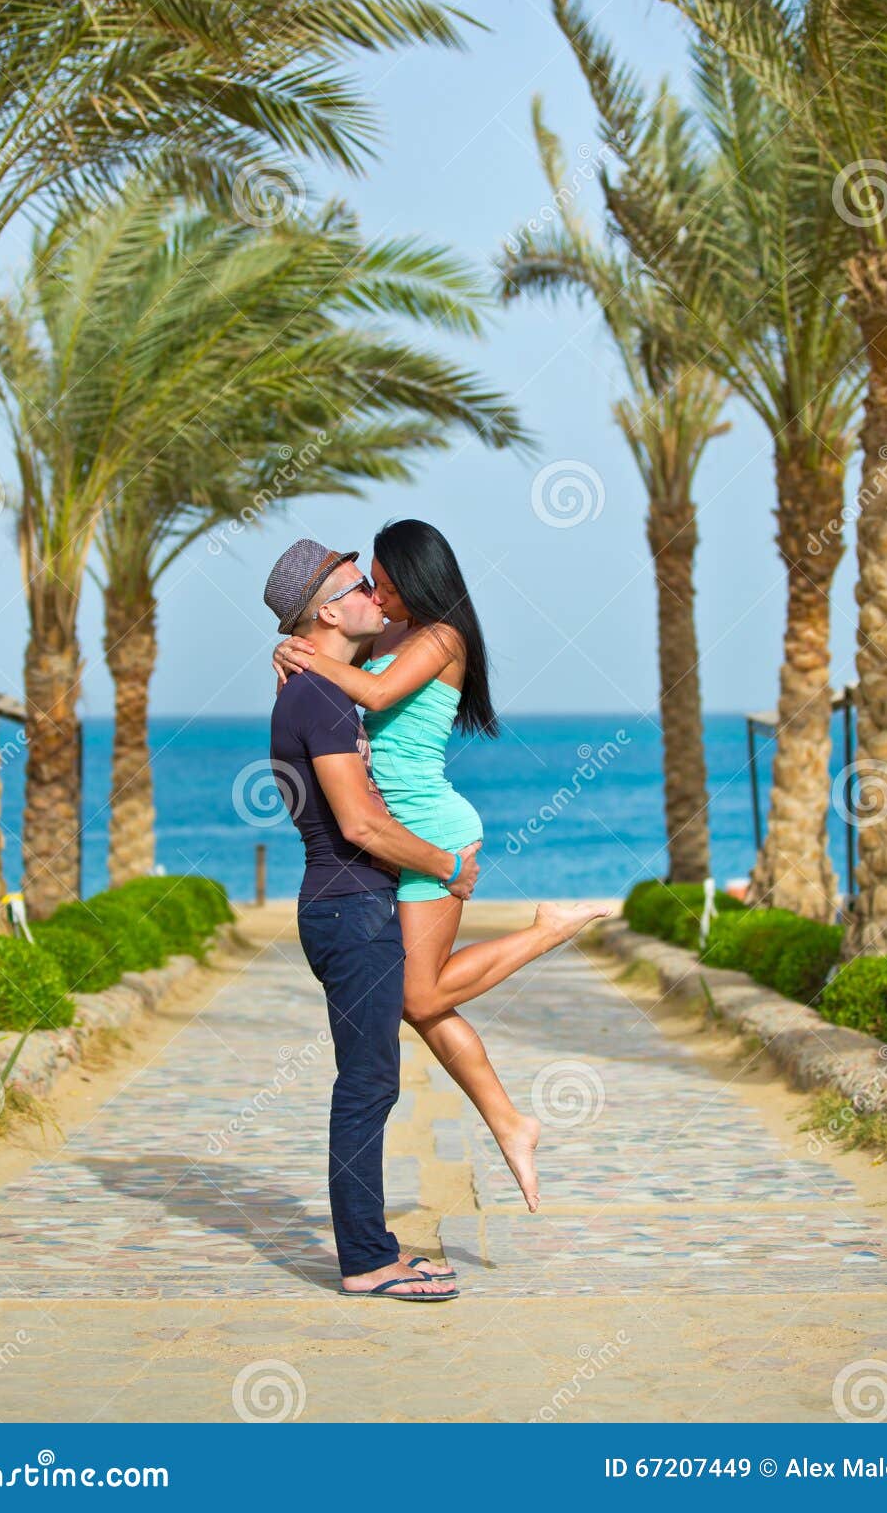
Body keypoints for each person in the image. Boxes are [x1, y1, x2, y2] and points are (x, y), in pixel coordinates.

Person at [272, 521, 609, 1213]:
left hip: (429, 831)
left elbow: (373, 696)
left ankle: (545, 930)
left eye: (387, 585)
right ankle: (511, 1124)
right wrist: (292, 650)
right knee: (416, 1000)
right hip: (396, 836)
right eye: (372, 585)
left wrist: (303, 658)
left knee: (418, 998)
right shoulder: (389, 633)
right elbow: (331, 655)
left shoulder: (440, 638)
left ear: (417, 581)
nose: (379, 595)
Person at [265, 538, 479, 1301]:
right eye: (361, 587)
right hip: (349, 906)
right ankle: (364, 1261)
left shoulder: (321, 689)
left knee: (372, 1084)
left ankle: (375, 1247)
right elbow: (359, 825)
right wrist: (445, 864)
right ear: (328, 610)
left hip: (348, 904)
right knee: (365, 1088)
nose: (377, 598)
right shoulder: (319, 699)